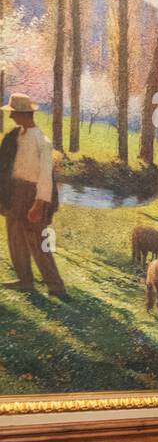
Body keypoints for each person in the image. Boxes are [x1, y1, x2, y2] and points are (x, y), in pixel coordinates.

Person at [0, 93, 66, 299]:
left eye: (14, 114)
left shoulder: (41, 141)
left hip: (34, 194)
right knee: (15, 235)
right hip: (15, 192)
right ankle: (25, 279)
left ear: (24, 114)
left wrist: (38, 205)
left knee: (38, 240)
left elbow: (46, 177)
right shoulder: (14, 137)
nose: (11, 117)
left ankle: (56, 286)